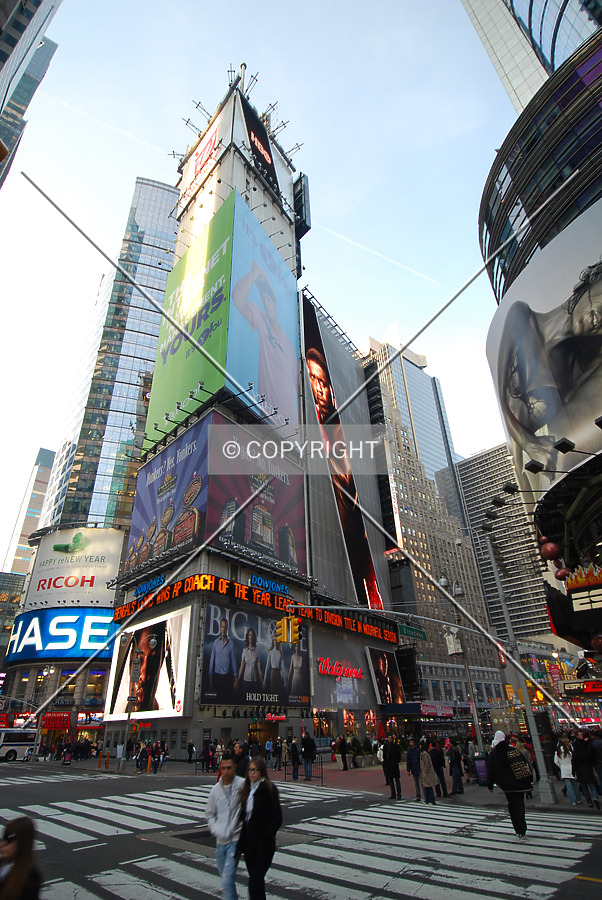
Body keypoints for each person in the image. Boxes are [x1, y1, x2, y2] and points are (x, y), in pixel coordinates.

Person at [305, 343, 383, 611]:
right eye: (311, 379)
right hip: (330, 549)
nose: (317, 387)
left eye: (321, 381)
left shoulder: (345, 436)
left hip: (361, 552)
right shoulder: (312, 436)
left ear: (331, 389)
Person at [232, 260, 300, 426]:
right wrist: (254, 275)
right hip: (267, 420)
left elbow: (301, 392)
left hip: (291, 431)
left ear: (275, 301)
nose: (266, 300)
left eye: (268, 297)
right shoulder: (260, 318)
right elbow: (237, 298)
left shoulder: (291, 348)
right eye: (263, 297)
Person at [236, 756, 283, 900]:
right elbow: (246, 819)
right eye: (250, 770)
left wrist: (267, 834)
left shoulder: (268, 789)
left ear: (261, 771)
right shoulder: (247, 790)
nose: (252, 773)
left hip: (264, 845)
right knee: (257, 883)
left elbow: (277, 818)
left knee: (254, 882)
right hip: (250, 845)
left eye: (255, 770)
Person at [205, 751, 245, 900]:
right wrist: (215, 829)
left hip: (235, 839)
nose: (226, 771)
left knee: (227, 878)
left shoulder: (241, 785)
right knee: (225, 879)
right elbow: (209, 813)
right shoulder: (215, 790)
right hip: (220, 841)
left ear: (234, 767)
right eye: (223, 768)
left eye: (229, 767)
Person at [486, 730, 533, 838]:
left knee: (512, 805)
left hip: (505, 785)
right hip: (519, 782)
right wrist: (529, 779)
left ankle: (517, 829)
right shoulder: (513, 750)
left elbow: (490, 770)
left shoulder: (494, 754)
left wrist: (490, 784)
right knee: (520, 804)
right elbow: (525, 764)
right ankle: (522, 828)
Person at [0, 817, 41, 900]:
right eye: (4, 838)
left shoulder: (30, 878)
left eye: (10, 840)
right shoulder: (4, 864)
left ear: (22, 843)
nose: (2, 844)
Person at [572, 730, 601, 809]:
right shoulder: (587, 745)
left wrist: (573, 771)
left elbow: (574, 760)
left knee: (585, 787)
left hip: (580, 770)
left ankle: (589, 802)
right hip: (588, 768)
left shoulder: (575, 747)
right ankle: (595, 797)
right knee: (592, 785)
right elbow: (591, 755)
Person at [209, 618, 237, 698]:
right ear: (220, 628)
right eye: (222, 627)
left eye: (225, 627)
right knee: (216, 699)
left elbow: (233, 661)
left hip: (226, 677)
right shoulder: (216, 642)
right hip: (216, 677)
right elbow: (212, 660)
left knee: (226, 698)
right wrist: (210, 679)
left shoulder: (231, 644)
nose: (223, 629)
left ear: (227, 628)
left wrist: (236, 678)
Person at [234, 629, 263, 696]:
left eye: (252, 635)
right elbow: (241, 667)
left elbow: (259, 670)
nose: (251, 637)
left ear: (254, 637)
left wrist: (262, 683)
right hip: (245, 681)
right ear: (247, 637)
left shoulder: (257, 652)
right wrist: (237, 681)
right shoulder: (244, 651)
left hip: (254, 681)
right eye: (249, 635)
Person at [554, 738, 581, 805]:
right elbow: (572, 760)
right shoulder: (569, 752)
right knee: (575, 785)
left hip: (564, 769)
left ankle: (573, 801)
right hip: (570, 768)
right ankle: (579, 799)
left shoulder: (557, 753)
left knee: (569, 787)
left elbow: (556, 762)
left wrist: (561, 766)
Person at [382, 734, 402, 800]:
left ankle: (399, 794)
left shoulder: (395, 746)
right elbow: (384, 756)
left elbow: (399, 755)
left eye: (391, 738)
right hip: (388, 765)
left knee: (397, 780)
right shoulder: (385, 746)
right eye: (389, 738)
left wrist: (397, 761)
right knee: (391, 780)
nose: (390, 739)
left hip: (394, 764)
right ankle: (393, 794)